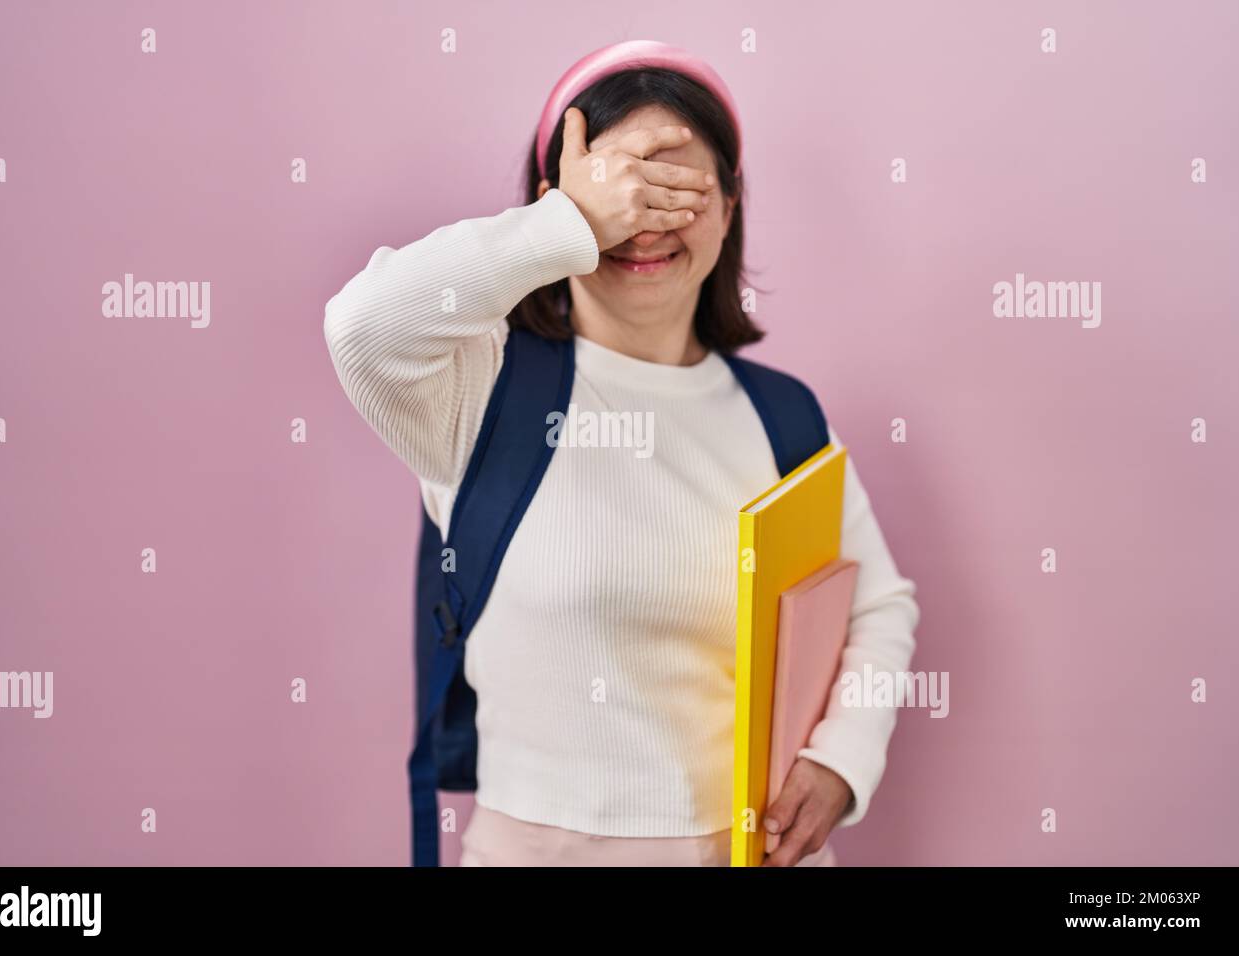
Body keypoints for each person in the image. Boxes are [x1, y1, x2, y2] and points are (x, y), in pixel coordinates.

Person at [323, 41, 920, 866]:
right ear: (555, 199)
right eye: (618, 190)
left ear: (732, 201)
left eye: (676, 187)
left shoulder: (781, 416)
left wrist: (840, 761)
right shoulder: (478, 393)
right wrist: (567, 225)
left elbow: (878, 607)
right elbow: (363, 327)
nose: (643, 221)